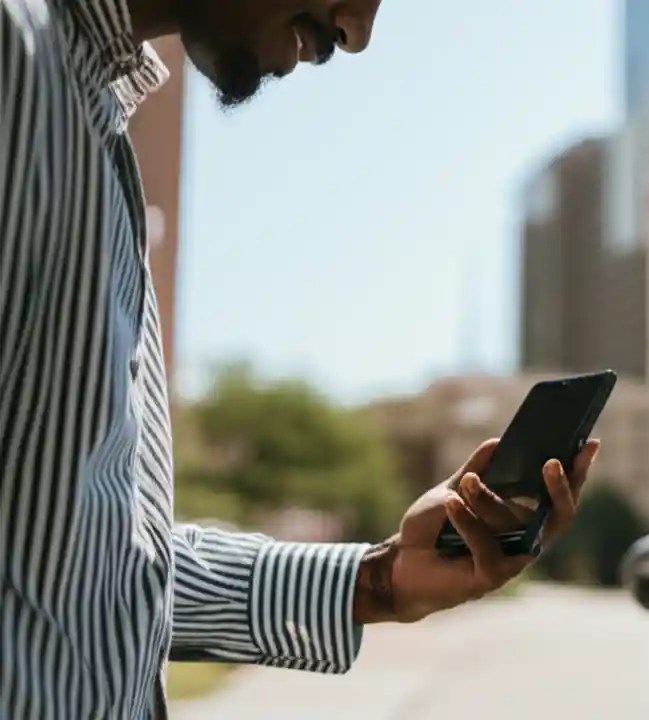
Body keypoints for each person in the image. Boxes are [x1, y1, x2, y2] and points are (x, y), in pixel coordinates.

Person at [0, 0, 601, 716]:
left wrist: (381, 580)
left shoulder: (84, 114)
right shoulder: (16, 66)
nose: (356, 32)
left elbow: (85, 572)